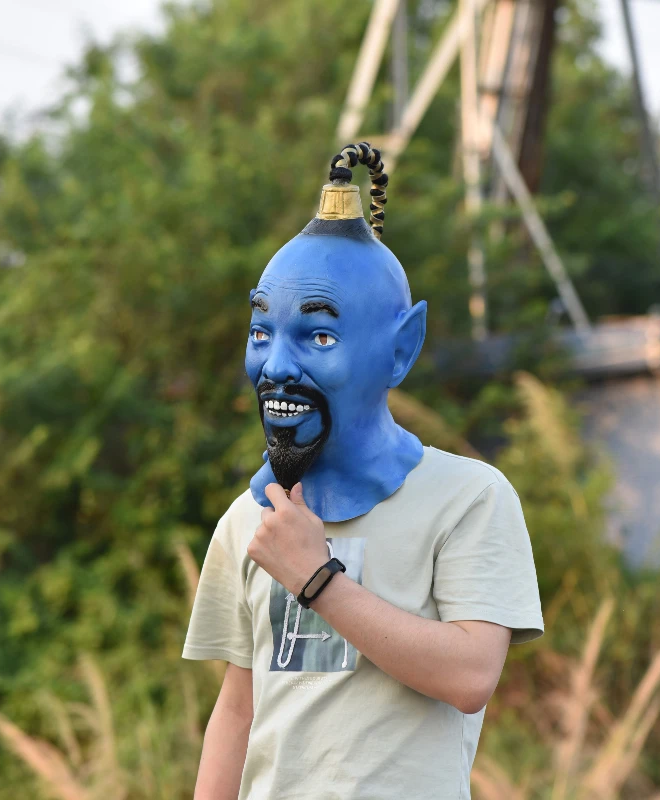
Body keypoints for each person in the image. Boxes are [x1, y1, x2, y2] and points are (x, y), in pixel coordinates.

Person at [182, 143, 545, 800]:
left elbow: (470, 676)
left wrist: (316, 578)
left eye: (318, 337)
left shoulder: (469, 499)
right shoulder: (249, 519)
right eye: (263, 332)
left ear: (401, 348)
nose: (276, 366)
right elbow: (239, 709)